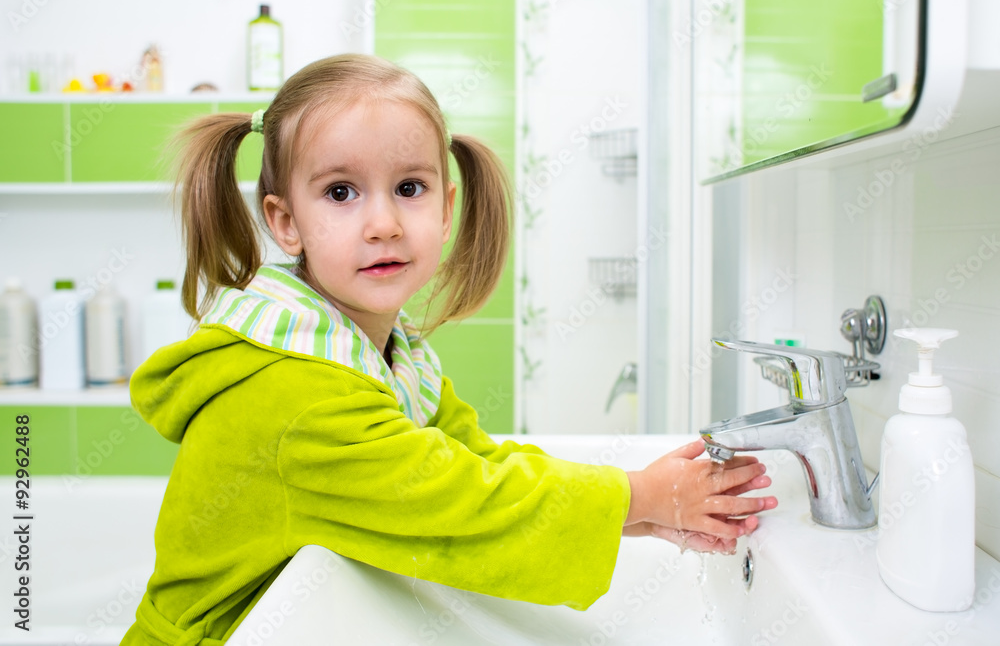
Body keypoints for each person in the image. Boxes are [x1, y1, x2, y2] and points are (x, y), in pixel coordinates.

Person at [121, 53, 776, 644]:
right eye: (341, 192)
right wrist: (639, 494)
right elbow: (459, 499)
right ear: (285, 222)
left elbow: (474, 459)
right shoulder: (296, 396)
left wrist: (641, 515)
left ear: (445, 206)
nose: (383, 224)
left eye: (409, 188)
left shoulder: (385, 353)